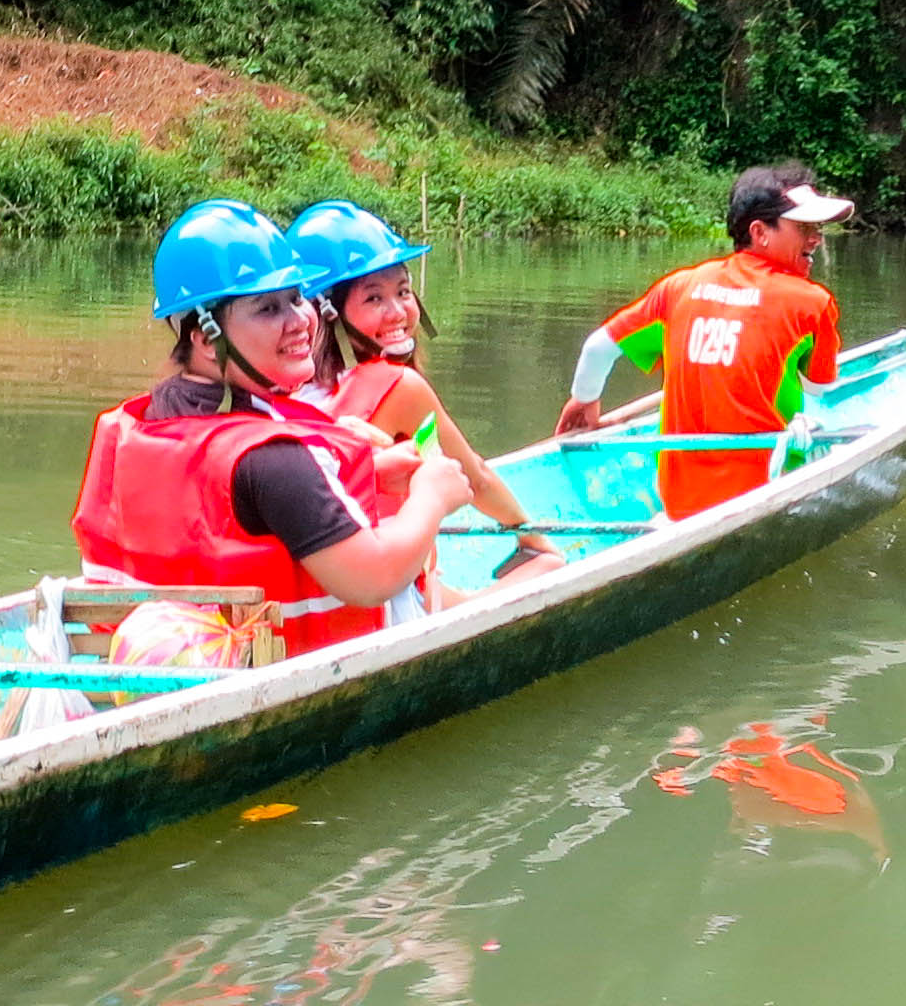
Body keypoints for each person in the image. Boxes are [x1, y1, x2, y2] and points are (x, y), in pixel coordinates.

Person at [71, 199, 470, 662]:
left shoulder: (151, 417)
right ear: (204, 338)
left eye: (297, 298)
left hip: (139, 656)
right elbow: (372, 579)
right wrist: (432, 497)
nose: (300, 321)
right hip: (246, 671)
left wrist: (371, 471)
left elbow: (211, 504)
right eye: (267, 308)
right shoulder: (274, 461)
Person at [550, 163, 851, 518]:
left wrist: (583, 401)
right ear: (760, 232)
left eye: (816, 228)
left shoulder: (679, 287)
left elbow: (597, 348)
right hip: (764, 484)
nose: (816, 238)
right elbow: (820, 387)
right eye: (804, 228)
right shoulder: (812, 302)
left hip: (677, 499)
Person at [289, 198, 558, 580]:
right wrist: (530, 536)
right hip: (379, 585)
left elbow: (429, 455)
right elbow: (474, 477)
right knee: (548, 565)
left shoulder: (285, 392)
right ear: (327, 313)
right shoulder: (401, 387)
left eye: (402, 291)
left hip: (329, 579)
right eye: (373, 298)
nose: (398, 312)